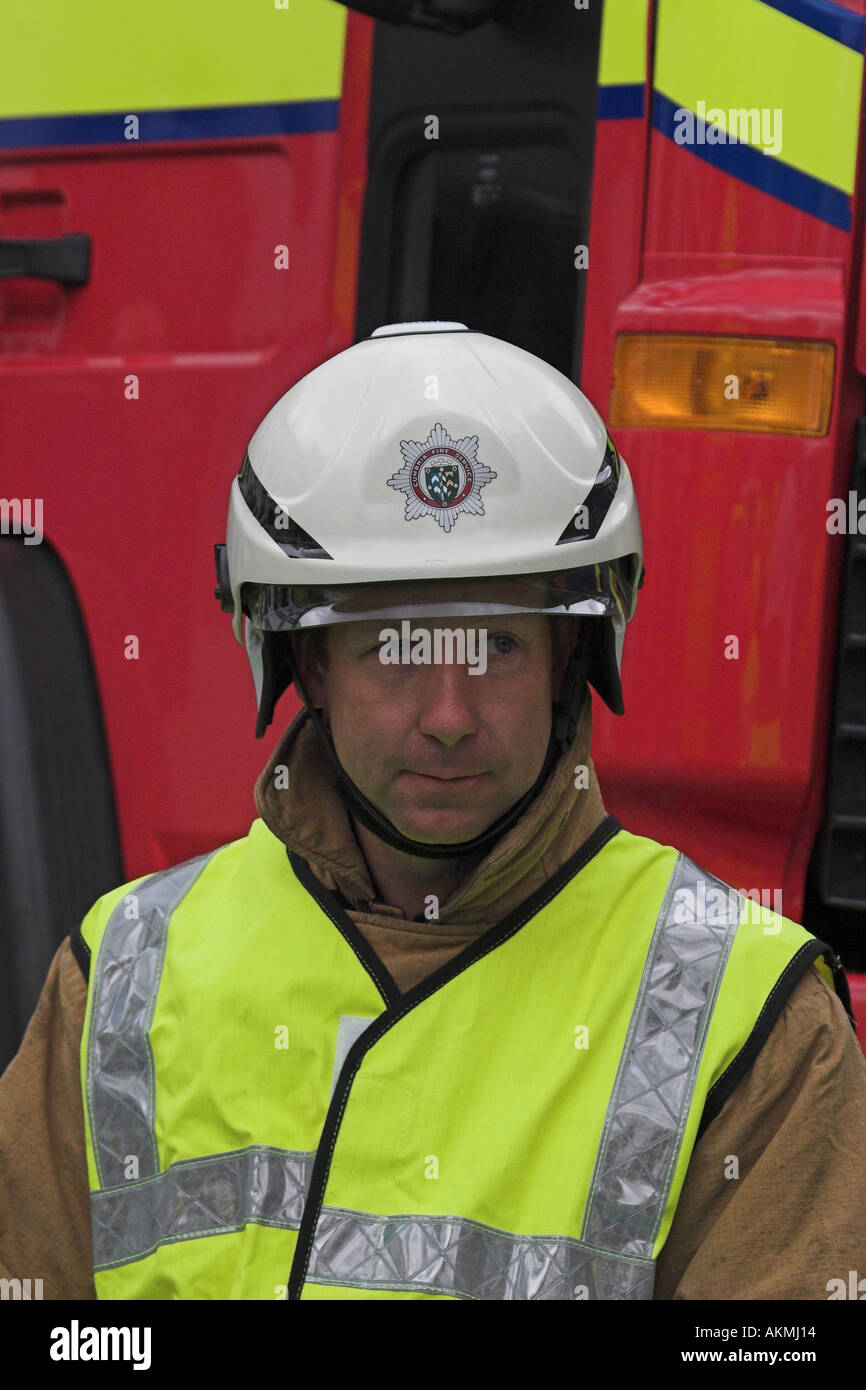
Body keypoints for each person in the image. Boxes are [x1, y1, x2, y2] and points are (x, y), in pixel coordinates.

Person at [1, 321, 865, 1301]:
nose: (448, 716)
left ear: (567, 664)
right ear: (307, 665)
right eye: (391, 649)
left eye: (495, 645)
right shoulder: (120, 971)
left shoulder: (750, 1017)